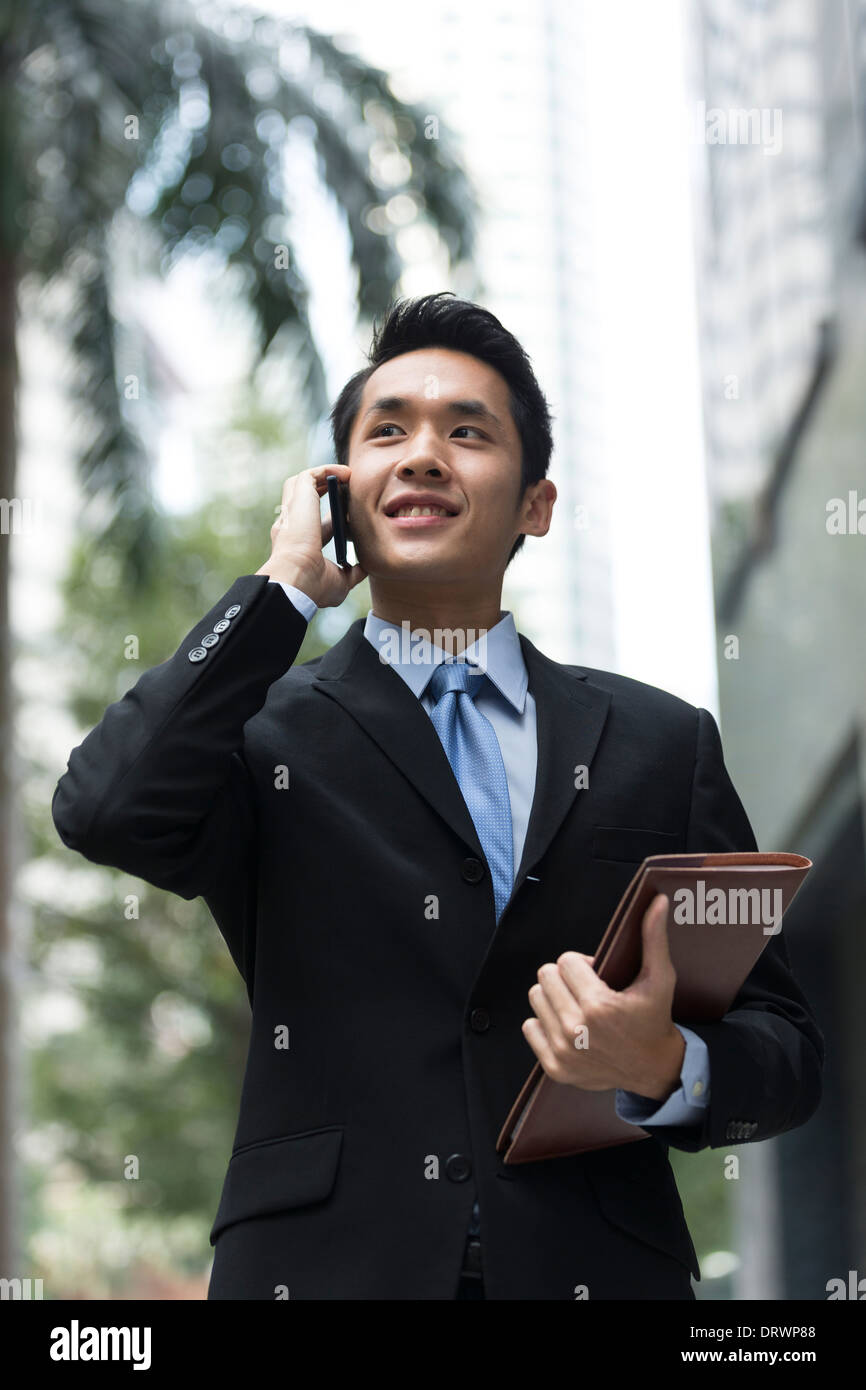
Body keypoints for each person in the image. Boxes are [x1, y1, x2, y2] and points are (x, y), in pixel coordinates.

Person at [52, 292, 823, 1300]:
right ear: (337, 493)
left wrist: (663, 1058)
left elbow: (786, 1051)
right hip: (321, 1270)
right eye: (386, 431)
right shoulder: (253, 732)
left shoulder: (658, 742)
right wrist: (280, 586)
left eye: (466, 431)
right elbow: (104, 807)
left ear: (534, 504)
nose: (421, 456)